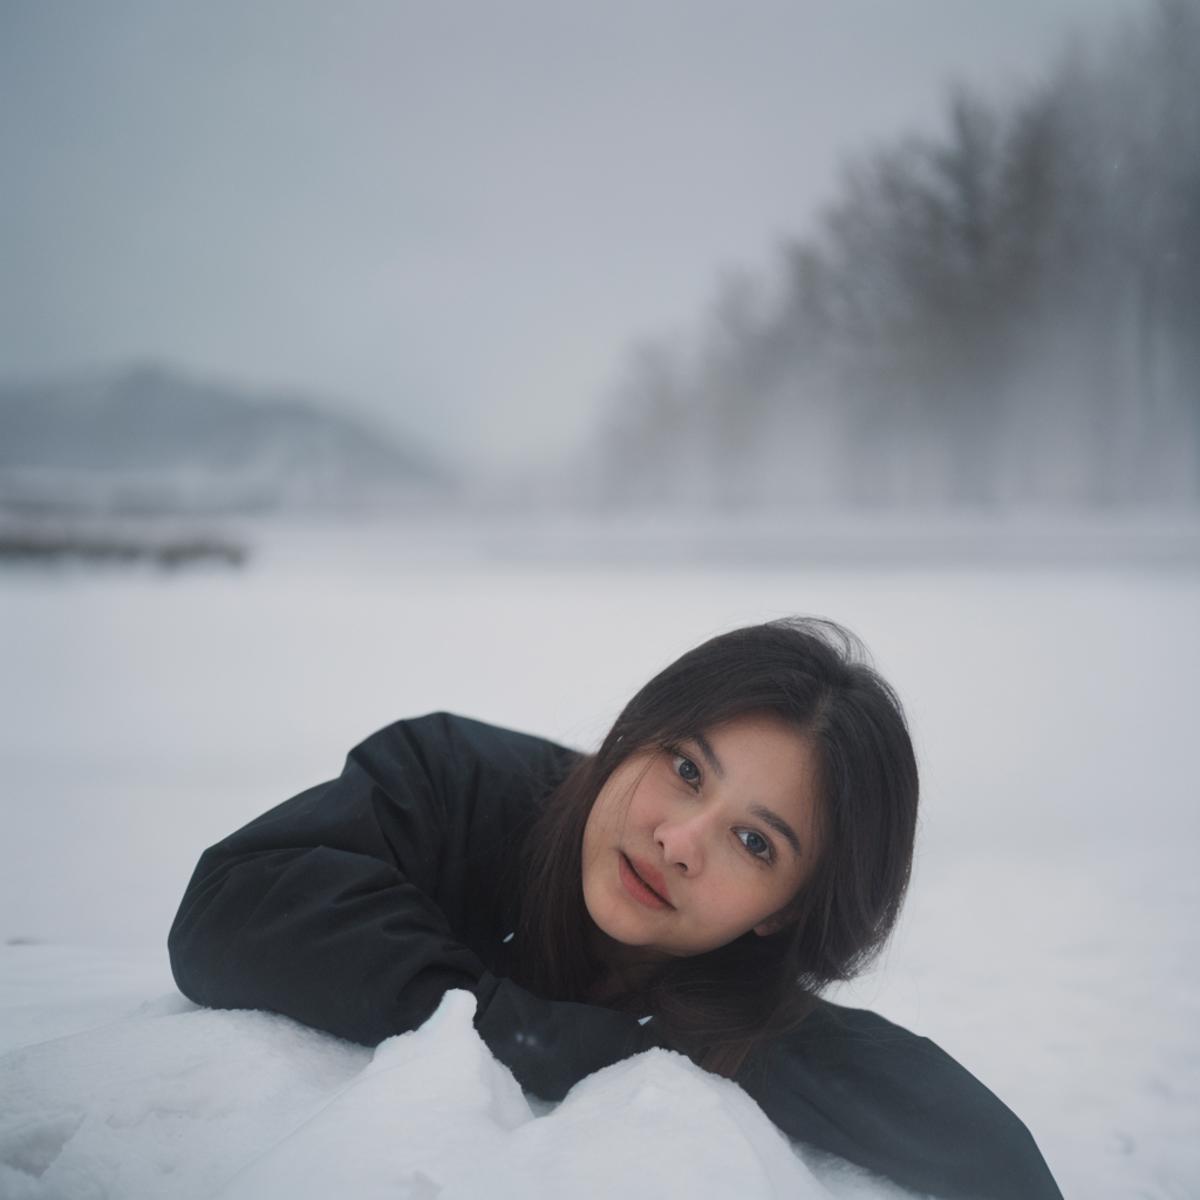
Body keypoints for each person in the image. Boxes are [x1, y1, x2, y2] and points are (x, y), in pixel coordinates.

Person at [169, 618, 1062, 1199]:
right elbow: (231, 902)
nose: (680, 840)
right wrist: (541, 1035)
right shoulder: (454, 782)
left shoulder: (746, 1019)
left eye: (755, 843)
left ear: (785, 913)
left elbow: (987, 1151)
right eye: (686, 769)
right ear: (637, 733)